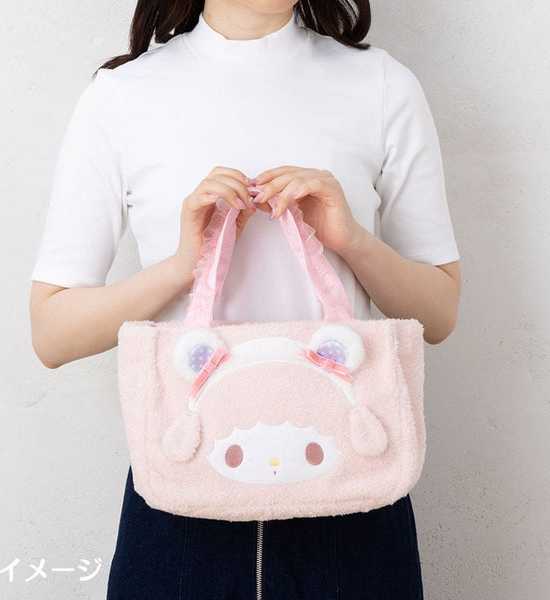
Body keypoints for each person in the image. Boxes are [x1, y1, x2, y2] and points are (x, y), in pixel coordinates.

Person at [29, 1, 461, 598]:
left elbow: (439, 313)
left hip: (354, 504)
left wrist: (351, 240)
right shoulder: (122, 96)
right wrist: (181, 267)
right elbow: (51, 333)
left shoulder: (382, 85)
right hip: (182, 506)